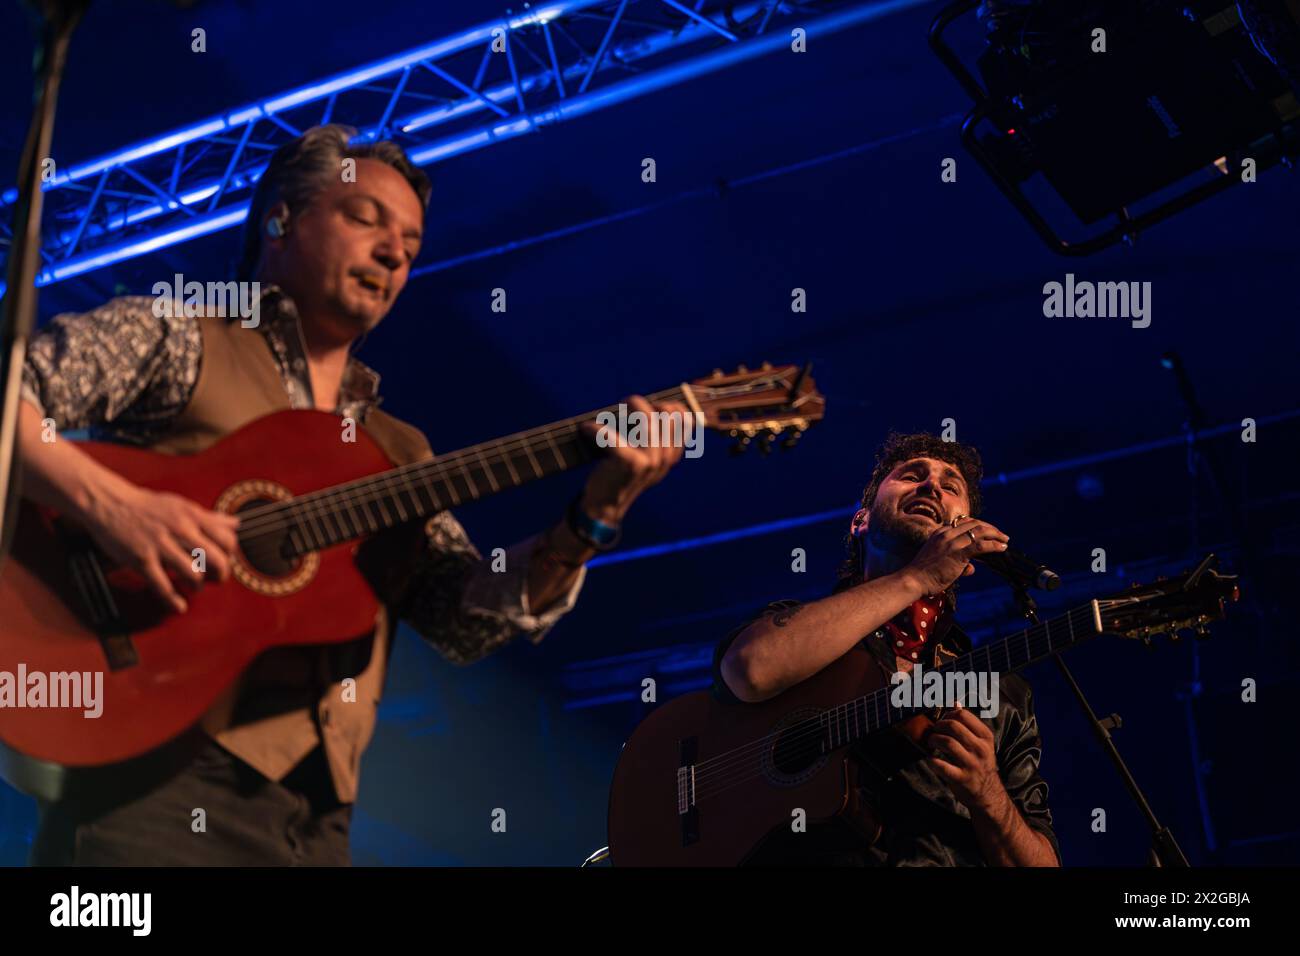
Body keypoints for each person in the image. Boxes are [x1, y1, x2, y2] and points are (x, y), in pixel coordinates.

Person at [16, 124, 687, 865]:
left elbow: (464, 617)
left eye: (411, 242)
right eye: (365, 218)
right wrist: (116, 509)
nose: (395, 252)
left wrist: (593, 517)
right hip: (151, 778)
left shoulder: (400, 454)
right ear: (280, 221)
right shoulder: (182, 334)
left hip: (316, 819)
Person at [714, 432, 1061, 866]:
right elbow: (750, 669)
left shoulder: (1002, 694)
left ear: (969, 551)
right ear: (860, 521)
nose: (932, 486)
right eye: (912, 476)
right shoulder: (800, 629)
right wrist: (917, 577)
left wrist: (988, 794)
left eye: (950, 487)